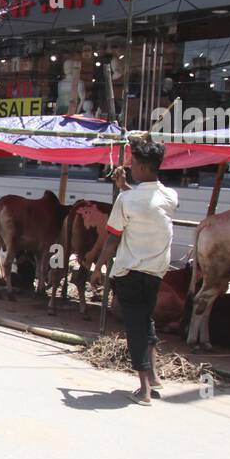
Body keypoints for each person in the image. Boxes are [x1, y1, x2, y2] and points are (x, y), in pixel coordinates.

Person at [95, 141, 179, 406]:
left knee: (135, 327)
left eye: (132, 163)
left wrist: (97, 269)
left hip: (130, 272)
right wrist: (124, 187)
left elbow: (112, 240)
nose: (129, 166)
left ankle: (143, 390)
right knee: (145, 319)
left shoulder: (126, 200)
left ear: (142, 167)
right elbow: (146, 203)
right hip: (155, 273)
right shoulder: (170, 197)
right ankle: (153, 376)